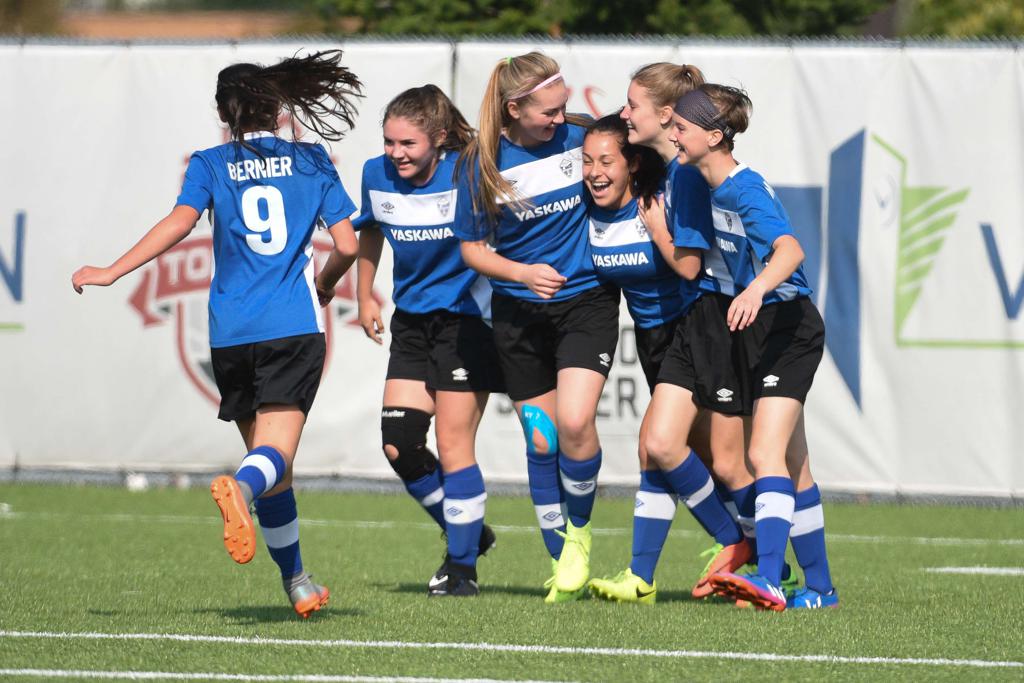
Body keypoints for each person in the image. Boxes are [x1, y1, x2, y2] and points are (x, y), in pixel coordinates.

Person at [71, 50, 363, 618]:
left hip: (230, 334)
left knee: (273, 460)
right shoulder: (312, 160)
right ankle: (241, 492)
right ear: (277, 107)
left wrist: (109, 270)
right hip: (290, 326)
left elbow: (178, 225)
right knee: (271, 459)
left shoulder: (209, 163)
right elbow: (348, 245)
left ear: (224, 114)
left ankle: (298, 583)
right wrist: (326, 284)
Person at [453, 52, 620, 603]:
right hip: (518, 313)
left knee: (574, 423)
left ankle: (580, 537)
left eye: (563, 106)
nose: (560, 117)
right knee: (542, 438)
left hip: (586, 303)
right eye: (549, 109)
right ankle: (560, 561)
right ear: (514, 108)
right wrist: (521, 272)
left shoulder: (580, 139)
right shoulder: (480, 161)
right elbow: (474, 250)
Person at [667, 83, 837, 610]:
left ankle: (768, 577)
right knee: (794, 462)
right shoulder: (704, 181)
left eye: (682, 127)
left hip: (788, 326)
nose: (673, 133)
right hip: (764, 328)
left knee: (762, 453)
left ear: (715, 136)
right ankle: (820, 589)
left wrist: (757, 287)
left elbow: (790, 249)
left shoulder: (744, 189)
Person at [591, 64, 752, 602]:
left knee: (705, 455)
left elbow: (689, 266)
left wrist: (659, 230)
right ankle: (647, 575)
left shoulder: (682, 172)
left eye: (632, 104)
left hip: (699, 327)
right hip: (663, 334)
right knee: (666, 451)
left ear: (665, 115)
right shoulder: (665, 166)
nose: (622, 113)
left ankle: (752, 552)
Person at [352, 85, 502, 597]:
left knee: (454, 444)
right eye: (389, 142)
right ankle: (470, 532)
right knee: (399, 443)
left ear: (438, 139)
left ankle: (462, 569)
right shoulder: (376, 173)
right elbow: (368, 229)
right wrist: (364, 291)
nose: (396, 153)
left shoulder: (466, 170)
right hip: (412, 323)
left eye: (408, 144)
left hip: (467, 321)